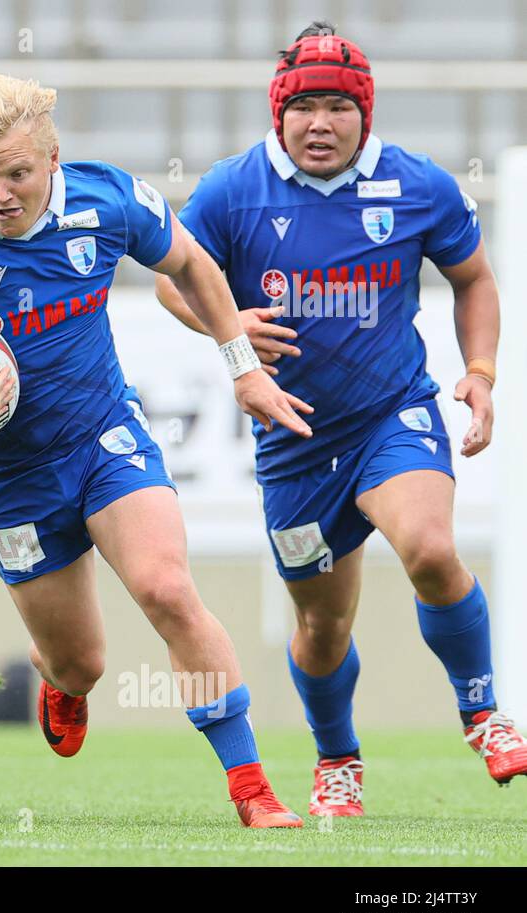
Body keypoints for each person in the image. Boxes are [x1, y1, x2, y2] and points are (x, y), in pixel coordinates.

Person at [0, 74, 313, 828]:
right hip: (10, 477)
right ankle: (61, 681)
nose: (0, 194)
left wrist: (243, 369)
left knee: (168, 590)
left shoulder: (109, 201)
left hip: (105, 435)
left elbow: (194, 266)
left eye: (17, 174)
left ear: (53, 160)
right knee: (83, 662)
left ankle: (251, 788)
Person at [155, 23, 525, 816]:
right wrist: (228, 329)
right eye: (304, 107)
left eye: (338, 106)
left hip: (393, 412)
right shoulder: (231, 188)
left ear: (365, 112)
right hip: (292, 440)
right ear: (278, 112)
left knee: (429, 547)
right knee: (323, 628)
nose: (320, 123)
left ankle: (484, 712)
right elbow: (172, 281)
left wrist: (482, 373)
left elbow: (476, 280)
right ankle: (337, 759)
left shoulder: (418, 185)